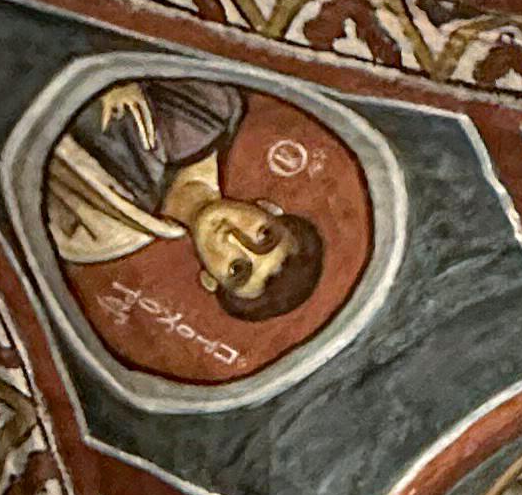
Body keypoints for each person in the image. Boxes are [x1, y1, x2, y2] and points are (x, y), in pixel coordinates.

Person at [42, 78, 327, 327]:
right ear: (268, 208)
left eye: (237, 269)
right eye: (263, 235)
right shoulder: (212, 107)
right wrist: (115, 74)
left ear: (210, 280)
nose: (233, 238)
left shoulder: (98, 236)